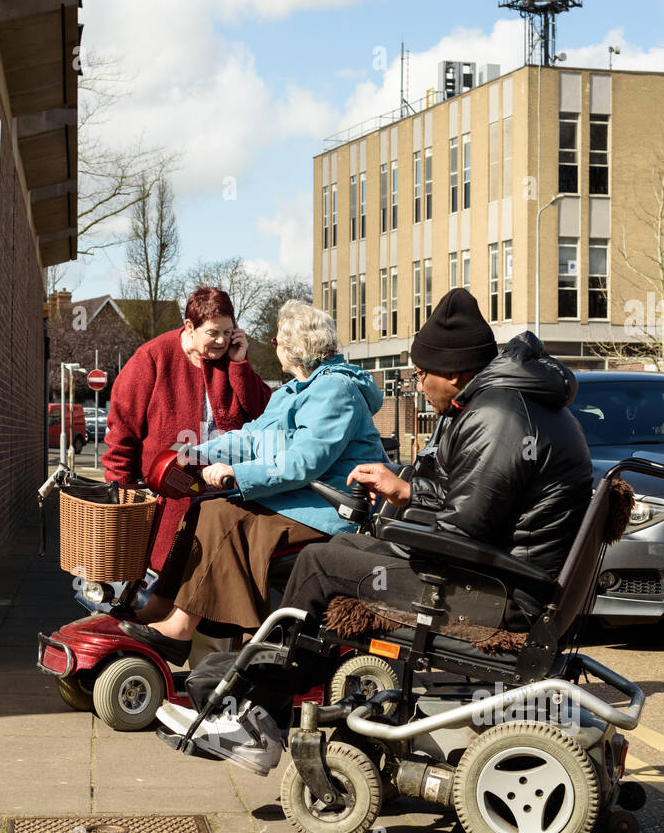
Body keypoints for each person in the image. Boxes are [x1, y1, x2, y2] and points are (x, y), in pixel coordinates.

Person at [158, 287, 594, 773]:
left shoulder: (497, 417)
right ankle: (263, 697)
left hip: (500, 598)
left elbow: (466, 531)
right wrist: (405, 493)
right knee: (344, 547)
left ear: (453, 372)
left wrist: (398, 530)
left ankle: (259, 710)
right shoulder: (500, 405)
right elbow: (470, 506)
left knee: (324, 561)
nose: (418, 381)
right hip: (503, 580)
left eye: (421, 373)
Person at [119, 300, 386, 664]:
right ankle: (163, 607)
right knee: (203, 507)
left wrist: (237, 473)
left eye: (277, 340)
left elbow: (304, 463)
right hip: (300, 500)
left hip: (331, 508)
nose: (273, 344)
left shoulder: (335, 391)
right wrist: (198, 453)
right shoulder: (295, 391)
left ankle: (182, 628)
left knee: (224, 516)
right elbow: (251, 437)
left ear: (294, 348)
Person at [102, 286, 271, 573]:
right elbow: (121, 435)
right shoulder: (151, 359)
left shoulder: (231, 360)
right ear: (190, 327)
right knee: (164, 586)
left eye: (228, 332)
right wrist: (121, 498)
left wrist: (240, 365)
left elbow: (265, 415)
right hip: (168, 503)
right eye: (213, 333)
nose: (221, 341)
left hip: (227, 499)